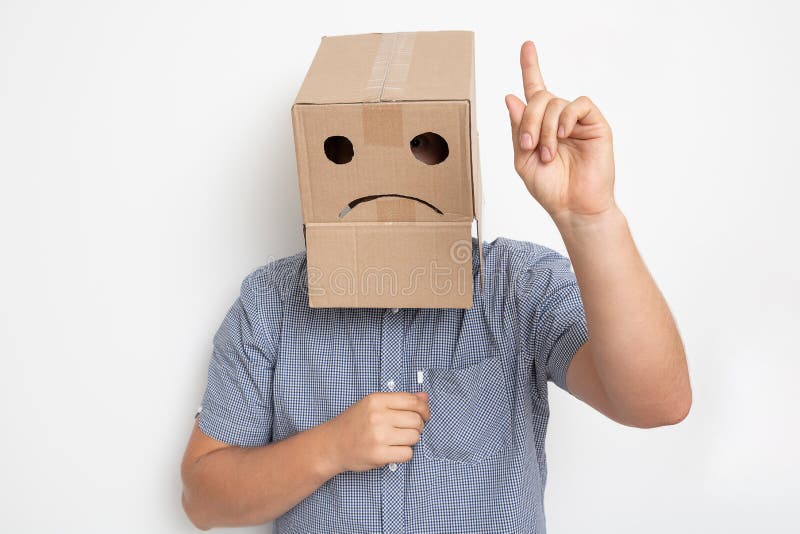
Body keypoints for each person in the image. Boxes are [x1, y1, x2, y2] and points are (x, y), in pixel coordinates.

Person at [180, 40, 691, 532]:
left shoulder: (515, 285)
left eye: (419, 142)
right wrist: (331, 448)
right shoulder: (270, 304)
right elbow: (203, 499)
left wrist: (591, 217)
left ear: (461, 152)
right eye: (345, 148)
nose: (384, 172)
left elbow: (658, 403)